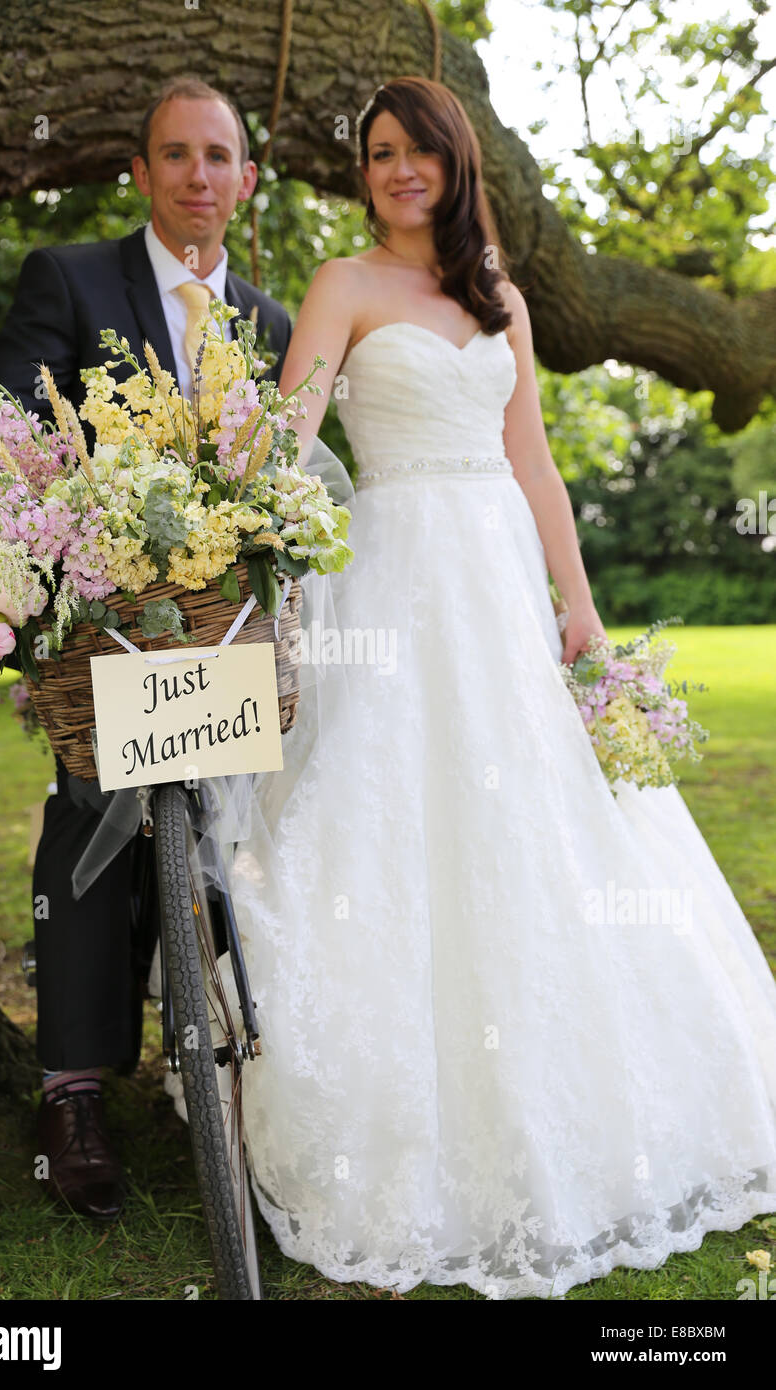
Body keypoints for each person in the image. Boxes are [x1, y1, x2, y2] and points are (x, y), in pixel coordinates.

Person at [222, 75, 776, 1299]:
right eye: (376, 153)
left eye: (416, 149)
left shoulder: (500, 299)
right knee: (393, 816)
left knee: (537, 824)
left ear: (452, 160)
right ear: (361, 173)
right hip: (394, 576)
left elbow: (530, 460)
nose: (396, 169)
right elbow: (294, 418)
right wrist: (240, 474)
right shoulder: (342, 286)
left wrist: (575, 605)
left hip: (496, 588)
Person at [0, 77, 294, 1221]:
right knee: (92, 812)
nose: (198, 174)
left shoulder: (270, 319)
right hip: (98, 625)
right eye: (175, 154)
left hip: (220, 632)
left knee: (228, 834)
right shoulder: (74, 278)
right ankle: (77, 1091)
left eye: (219, 156)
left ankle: (229, 1069)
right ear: (141, 175)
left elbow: (282, 480)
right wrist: (33, 563)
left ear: (245, 178)